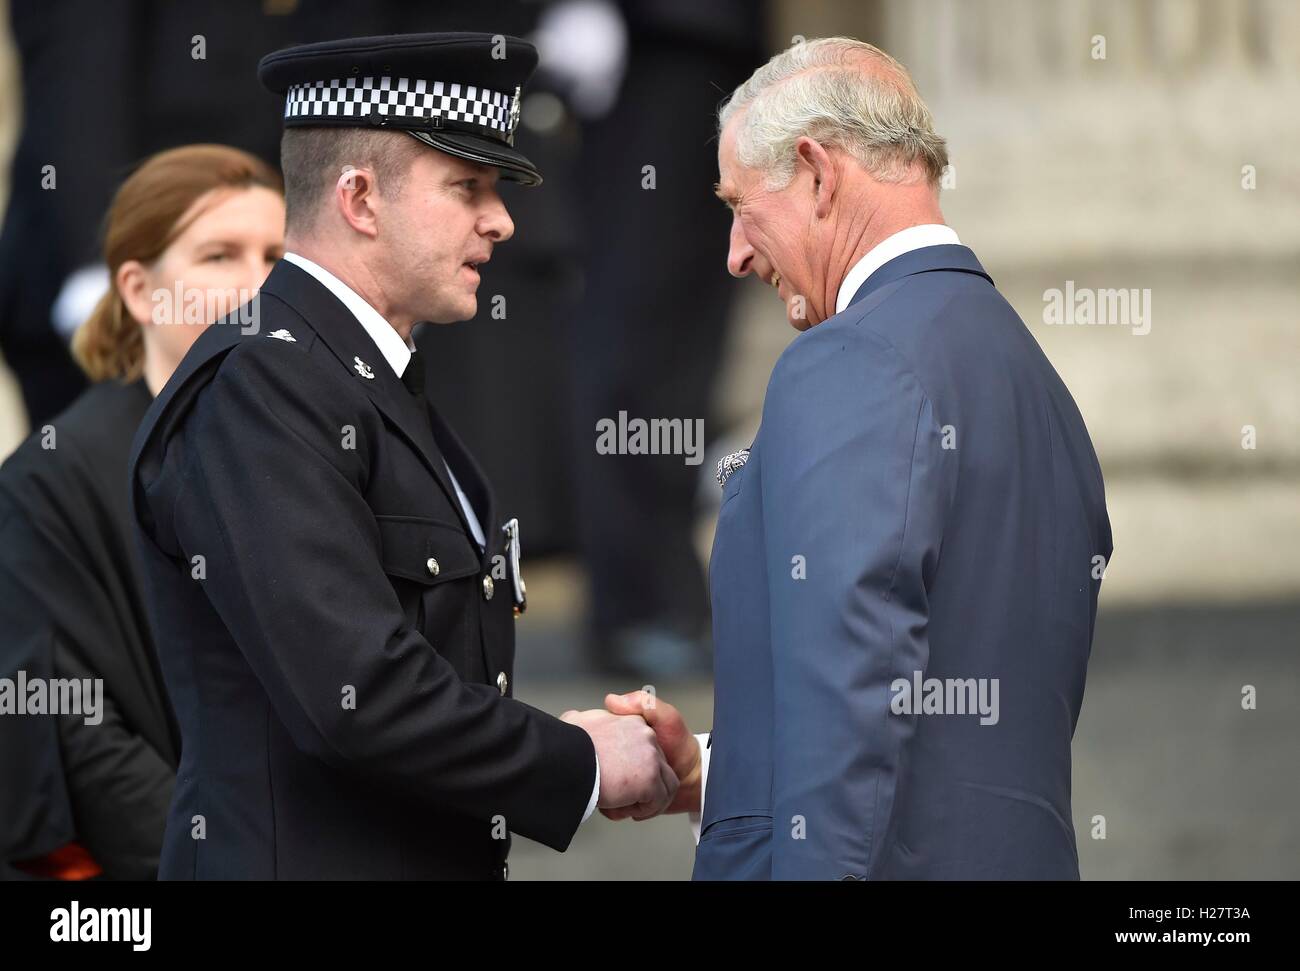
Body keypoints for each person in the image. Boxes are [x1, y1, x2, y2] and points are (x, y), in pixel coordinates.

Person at [128, 32, 674, 881]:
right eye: (467, 187)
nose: (501, 220)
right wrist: (581, 761)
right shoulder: (262, 386)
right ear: (359, 198)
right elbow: (357, 695)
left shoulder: (358, 376)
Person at [604, 37, 1114, 880]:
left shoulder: (849, 361)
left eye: (739, 204)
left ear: (815, 172)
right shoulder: (1035, 380)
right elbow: (941, 703)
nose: (734, 253)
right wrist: (718, 773)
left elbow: (855, 694)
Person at [0, 144, 285, 879]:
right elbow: (73, 731)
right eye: (219, 256)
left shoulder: (323, 449)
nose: (257, 286)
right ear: (138, 289)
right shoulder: (51, 477)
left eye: (276, 257)